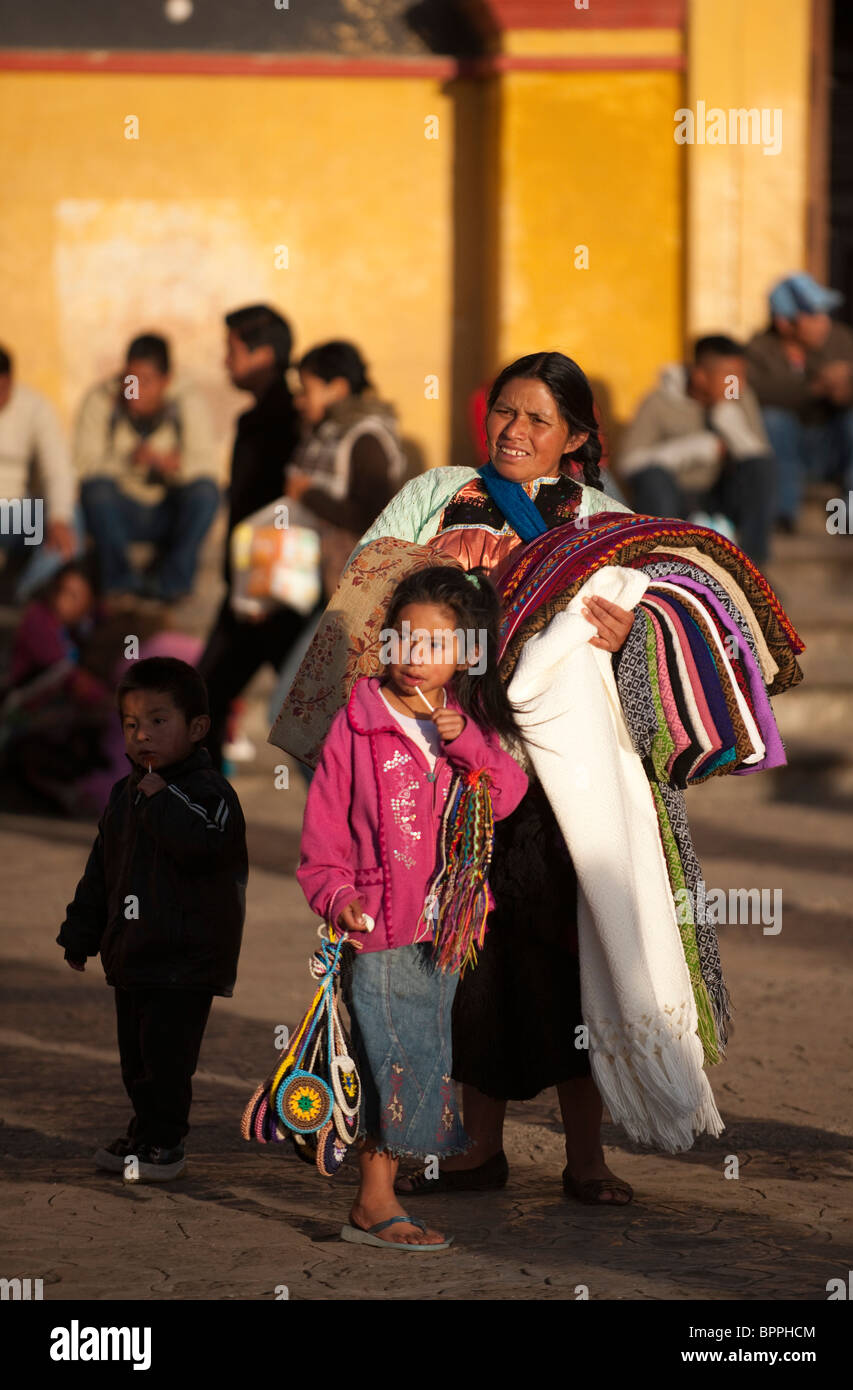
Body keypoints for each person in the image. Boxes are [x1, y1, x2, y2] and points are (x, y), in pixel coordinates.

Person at [330, 351, 641, 1204]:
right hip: (445, 771)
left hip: (558, 784)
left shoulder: (606, 520)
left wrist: (624, 639)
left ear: (576, 437)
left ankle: (588, 1159)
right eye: (505, 411)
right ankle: (476, 1148)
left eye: (539, 419)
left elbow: (655, 631)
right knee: (462, 957)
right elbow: (364, 587)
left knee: (572, 964)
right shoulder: (437, 492)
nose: (515, 431)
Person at [296, 565, 528, 1248]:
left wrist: (465, 743)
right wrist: (337, 896)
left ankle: (379, 1195)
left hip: (447, 930)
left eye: (433, 645)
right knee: (391, 1057)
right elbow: (323, 835)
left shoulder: (469, 722)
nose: (412, 656)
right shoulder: (359, 725)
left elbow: (506, 794)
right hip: (379, 925)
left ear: (466, 656)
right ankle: (376, 1201)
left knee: (420, 1056)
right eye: (402, 639)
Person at [56, 657, 248, 1182]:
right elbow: (102, 871)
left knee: (167, 1057)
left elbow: (208, 845)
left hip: (186, 958)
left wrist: (164, 802)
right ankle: (143, 1130)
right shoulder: (124, 795)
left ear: (198, 728)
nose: (143, 735)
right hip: (134, 952)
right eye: (132, 724)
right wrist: (81, 932)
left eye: (159, 722)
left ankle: (166, 1142)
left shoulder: (210, 792)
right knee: (136, 1058)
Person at [267, 340, 406, 751]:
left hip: (352, 594)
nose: (299, 399)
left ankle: (342, 808)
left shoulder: (366, 439)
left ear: (338, 387)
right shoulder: (326, 433)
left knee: (286, 712)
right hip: (313, 587)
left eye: (307, 388)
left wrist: (309, 494)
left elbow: (374, 516)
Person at [197, 305, 303, 767]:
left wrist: (258, 586)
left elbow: (278, 510)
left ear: (263, 355)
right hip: (253, 584)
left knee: (204, 697)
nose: (226, 362)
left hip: (264, 586)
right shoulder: (263, 417)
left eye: (232, 350)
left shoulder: (281, 421)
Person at [75, 333, 220, 603]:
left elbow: (206, 466)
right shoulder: (101, 399)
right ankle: (120, 585)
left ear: (167, 380)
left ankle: (173, 584)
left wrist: (170, 465)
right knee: (95, 490)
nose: (134, 390)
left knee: (207, 493)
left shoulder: (188, 401)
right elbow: (84, 466)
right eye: (130, 380)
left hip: (167, 511)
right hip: (119, 512)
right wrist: (128, 461)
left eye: (146, 382)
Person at [618, 335, 776, 564]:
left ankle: (753, 566)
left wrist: (727, 417)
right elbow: (629, 463)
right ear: (701, 377)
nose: (739, 384)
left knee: (762, 467)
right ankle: (662, 560)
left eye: (742, 376)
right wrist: (694, 449)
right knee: (652, 478)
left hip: (721, 496)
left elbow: (758, 458)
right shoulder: (659, 402)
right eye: (731, 377)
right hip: (675, 498)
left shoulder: (740, 397)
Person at [746, 272, 853, 531]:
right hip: (786, 451)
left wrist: (846, 391)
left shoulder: (841, 339)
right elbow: (750, 393)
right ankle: (782, 513)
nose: (824, 322)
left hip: (830, 446)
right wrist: (814, 388)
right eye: (813, 315)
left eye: (825, 314)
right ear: (784, 323)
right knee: (775, 420)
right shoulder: (758, 349)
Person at [0, 561, 112, 815]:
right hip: (16, 716)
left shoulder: (82, 627)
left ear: (90, 602)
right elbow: (72, 680)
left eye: (74, 596)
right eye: (60, 591)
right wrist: (113, 704)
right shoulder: (38, 620)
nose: (63, 600)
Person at [0, 344, 80, 599]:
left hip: (18, 515)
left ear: (9, 381)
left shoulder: (36, 408)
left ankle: (23, 597)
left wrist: (59, 517)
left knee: (71, 523)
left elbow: (57, 469)